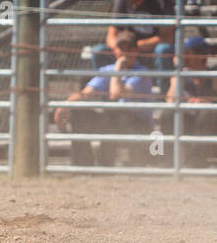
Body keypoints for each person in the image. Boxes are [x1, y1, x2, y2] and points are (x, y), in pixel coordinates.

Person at [54, 31, 155, 167]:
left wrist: (118, 69)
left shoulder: (142, 73)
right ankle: (82, 166)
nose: (125, 53)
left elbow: (116, 94)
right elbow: (86, 93)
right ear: (115, 51)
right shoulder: (108, 69)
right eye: (121, 49)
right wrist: (65, 106)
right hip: (114, 120)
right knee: (79, 112)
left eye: (129, 48)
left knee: (114, 113)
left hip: (138, 125)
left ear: (136, 50)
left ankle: (105, 165)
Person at [162, 35, 217, 168]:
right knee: (166, 113)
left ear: (201, 55)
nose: (184, 57)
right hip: (187, 119)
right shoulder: (181, 75)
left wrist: (203, 102)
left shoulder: (214, 75)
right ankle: (168, 160)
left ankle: (198, 160)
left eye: (188, 53)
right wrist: (178, 73)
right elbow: (170, 100)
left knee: (207, 113)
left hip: (209, 121)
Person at [96, 0, 176, 72]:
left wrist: (135, 47)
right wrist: (119, 49)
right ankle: (102, 85)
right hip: (129, 51)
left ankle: (166, 87)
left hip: (152, 51)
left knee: (163, 49)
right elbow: (111, 35)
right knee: (99, 51)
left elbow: (167, 38)